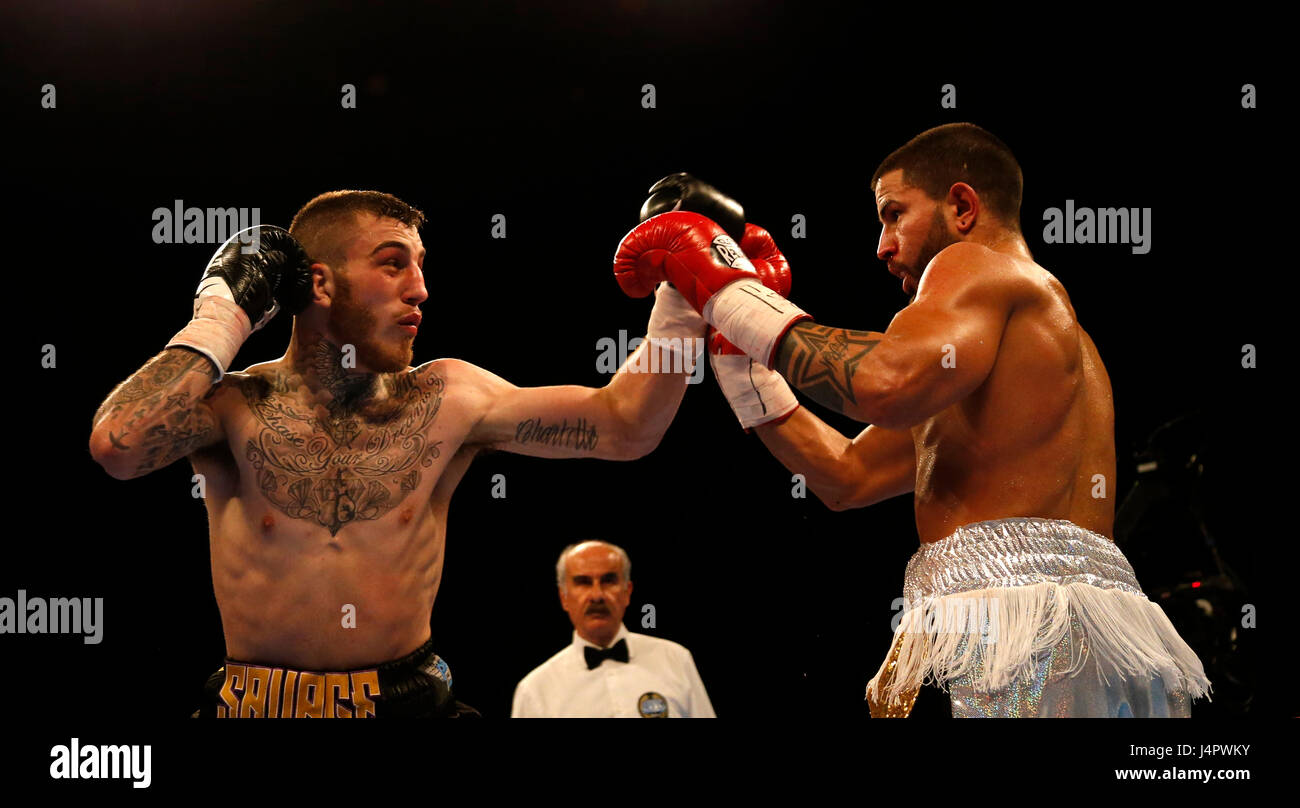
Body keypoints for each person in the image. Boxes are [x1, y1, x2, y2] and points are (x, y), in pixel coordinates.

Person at [615, 127, 1212, 717]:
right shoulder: (1033, 348)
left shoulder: (977, 266)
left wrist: (725, 289)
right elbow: (847, 476)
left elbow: (881, 381)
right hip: (1093, 633)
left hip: (1021, 634)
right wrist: (744, 364)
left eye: (893, 214)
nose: (882, 244)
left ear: (962, 206)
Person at [89, 190, 707, 717]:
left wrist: (682, 299)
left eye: (420, 265)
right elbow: (118, 445)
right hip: (253, 704)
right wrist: (222, 315)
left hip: (410, 700)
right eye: (393, 264)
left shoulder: (448, 399)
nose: (421, 289)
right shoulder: (234, 406)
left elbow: (629, 427)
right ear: (321, 283)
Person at [511, 541, 715, 718]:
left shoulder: (676, 659)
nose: (597, 595)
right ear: (564, 597)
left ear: (627, 592)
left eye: (608, 581)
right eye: (583, 582)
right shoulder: (535, 691)